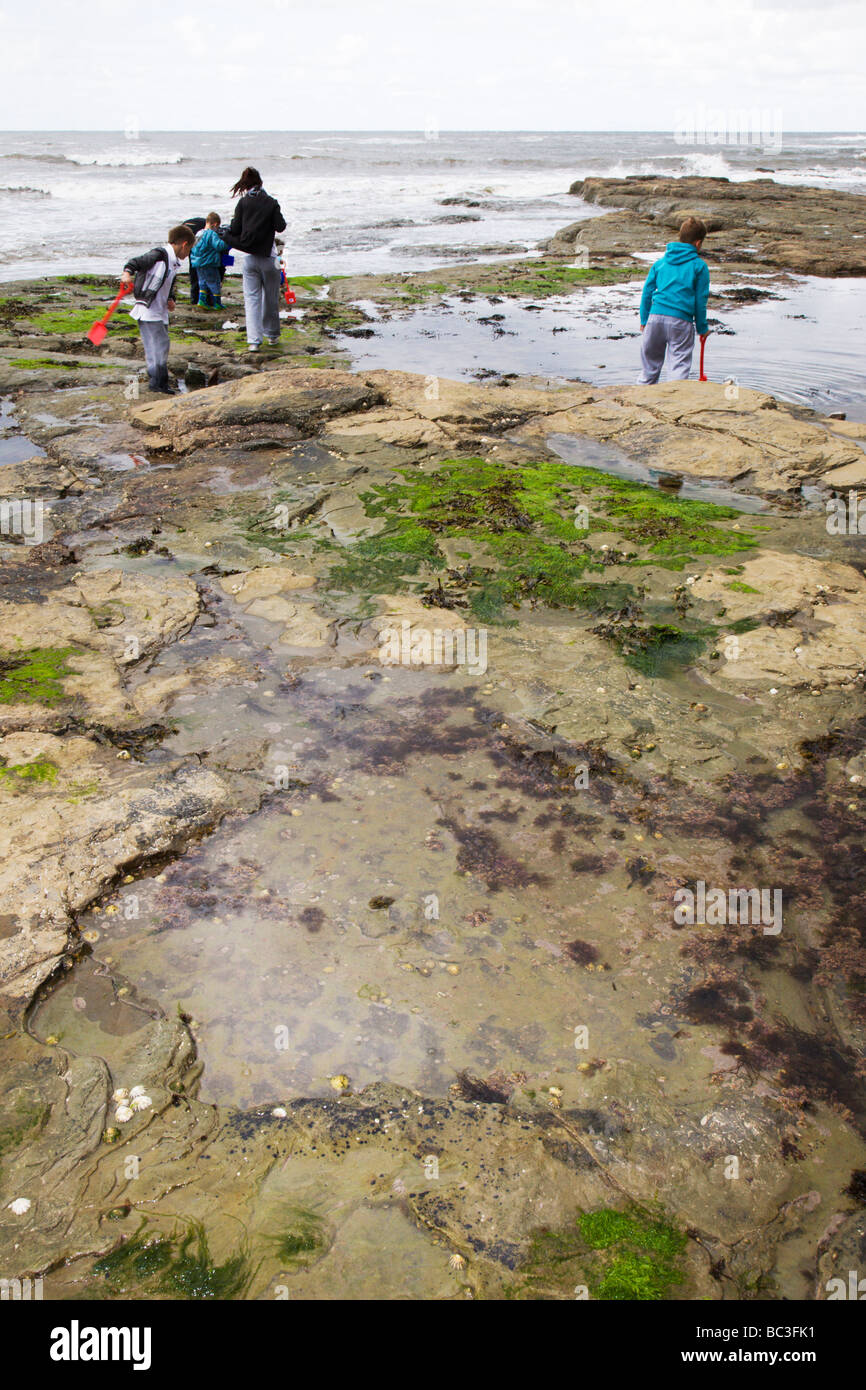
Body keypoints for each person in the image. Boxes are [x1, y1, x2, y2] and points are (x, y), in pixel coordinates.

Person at [120, 225, 193, 394]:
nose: (188, 253)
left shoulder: (173, 262)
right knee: (160, 345)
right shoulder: (160, 255)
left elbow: (168, 283)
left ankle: (158, 382)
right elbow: (136, 262)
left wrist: (171, 299)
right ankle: (158, 383)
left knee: (157, 345)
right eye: (189, 249)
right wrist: (127, 273)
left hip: (159, 310)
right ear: (184, 244)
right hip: (148, 309)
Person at [638, 216, 709, 384]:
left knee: (648, 370)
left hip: (654, 319)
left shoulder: (660, 264)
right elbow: (700, 301)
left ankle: (638, 400)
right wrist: (702, 328)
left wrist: (644, 319)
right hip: (681, 322)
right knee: (678, 370)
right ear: (698, 244)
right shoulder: (699, 266)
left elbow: (647, 292)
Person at [224, 166, 287, 353]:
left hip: (250, 258)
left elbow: (235, 229)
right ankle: (273, 335)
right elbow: (281, 226)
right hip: (270, 258)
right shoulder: (271, 202)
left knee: (252, 299)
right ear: (261, 182)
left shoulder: (243, 203)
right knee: (271, 298)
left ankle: (254, 341)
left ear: (245, 185)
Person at [190, 213, 227, 310]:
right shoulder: (211, 234)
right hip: (209, 263)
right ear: (215, 224)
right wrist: (227, 241)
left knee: (202, 281)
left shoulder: (199, 233)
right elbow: (219, 246)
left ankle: (201, 301)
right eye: (217, 227)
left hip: (198, 262)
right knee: (215, 281)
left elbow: (194, 247)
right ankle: (217, 303)